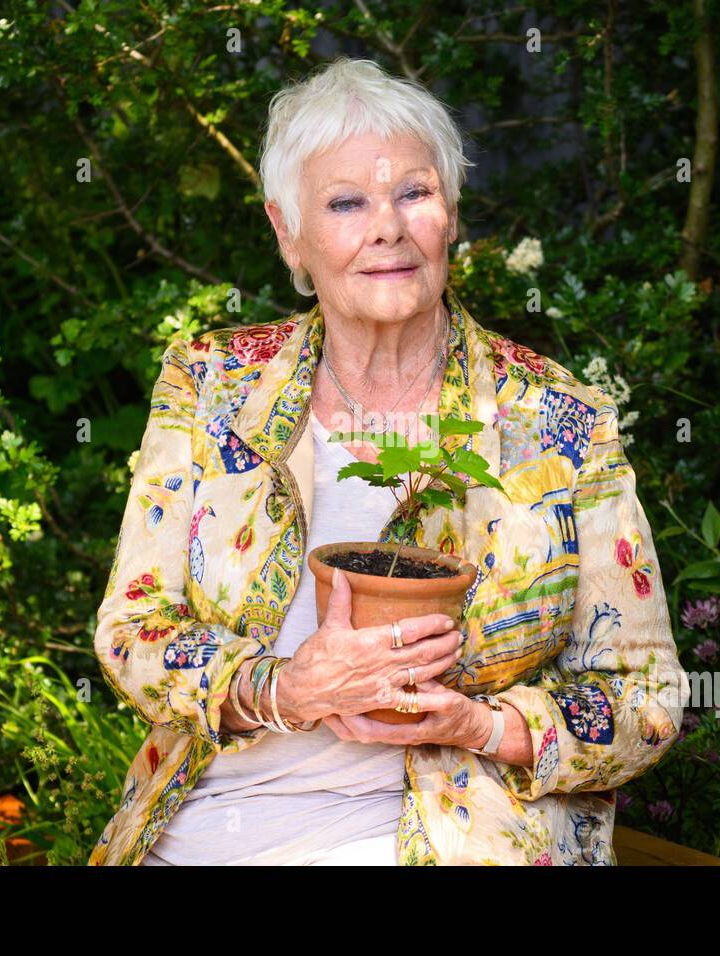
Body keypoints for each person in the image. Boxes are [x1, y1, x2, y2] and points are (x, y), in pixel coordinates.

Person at [89, 57, 688, 866]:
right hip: (207, 833)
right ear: (287, 233)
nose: (388, 228)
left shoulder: (557, 420)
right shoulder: (213, 386)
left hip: (450, 837)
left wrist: (482, 726)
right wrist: (284, 688)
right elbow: (132, 632)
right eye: (345, 203)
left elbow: (647, 699)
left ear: (450, 212)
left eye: (414, 192)